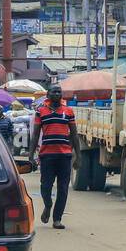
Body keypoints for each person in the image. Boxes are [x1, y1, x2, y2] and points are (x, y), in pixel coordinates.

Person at [30, 84, 78, 230]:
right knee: (46, 187)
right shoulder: (41, 112)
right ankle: (48, 205)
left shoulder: (68, 112)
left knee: (63, 189)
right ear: (48, 94)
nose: (57, 94)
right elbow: (36, 134)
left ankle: (57, 219)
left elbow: (74, 135)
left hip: (64, 156)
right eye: (54, 91)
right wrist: (31, 155)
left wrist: (79, 157)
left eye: (59, 91)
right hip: (47, 156)